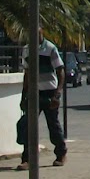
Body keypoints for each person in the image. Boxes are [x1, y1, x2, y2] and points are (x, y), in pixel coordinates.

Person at [18, 38, 67, 170]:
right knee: (28, 125)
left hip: (50, 92)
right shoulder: (27, 49)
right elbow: (27, 74)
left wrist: (57, 94)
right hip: (34, 93)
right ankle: (27, 159)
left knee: (53, 125)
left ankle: (61, 153)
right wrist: (24, 96)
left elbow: (60, 71)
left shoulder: (50, 48)